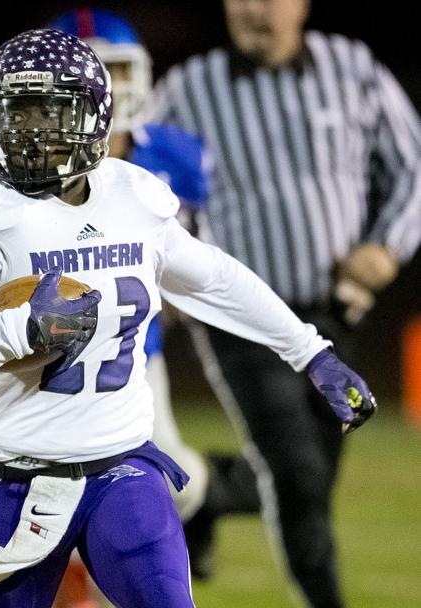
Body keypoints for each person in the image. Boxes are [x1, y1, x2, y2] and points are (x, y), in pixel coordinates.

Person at [0, 27, 376, 608]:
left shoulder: (132, 198)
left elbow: (216, 280)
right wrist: (19, 330)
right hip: (11, 480)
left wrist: (310, 351)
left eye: (49, 114)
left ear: (95, 118)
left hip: (121, 471)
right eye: (14, 114)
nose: (27, 134)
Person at [147, 0, 421, 603]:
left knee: (311, 478)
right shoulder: (189, 88)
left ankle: (208, 493)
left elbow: (413, 166)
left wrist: (387, 247)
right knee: (298, 477)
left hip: (337, 311)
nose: (254, 8)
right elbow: (145, 183)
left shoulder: (351, 67)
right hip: (239, 320)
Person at [43, 9, 215, 607]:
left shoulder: (173, 155)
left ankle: (95, 574)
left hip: (137, 352)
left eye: (118, 71)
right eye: (96, 74)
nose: (111, 91)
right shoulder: (22, 158)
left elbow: (201, 249)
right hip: (46, 357)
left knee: (171, 484)